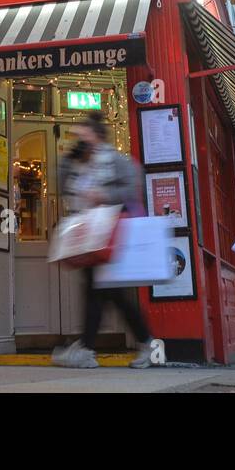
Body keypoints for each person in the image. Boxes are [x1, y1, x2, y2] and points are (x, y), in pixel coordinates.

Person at [52, 111, 156, 370]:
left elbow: (133, 186)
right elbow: (63, 187)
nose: (80, 138)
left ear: (96, 136)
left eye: (83, 134)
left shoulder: (115, 161)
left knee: (103, 292)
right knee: (105, 292)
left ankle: (88, 349)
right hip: (89, 234)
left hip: (109, 234)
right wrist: (70, 158)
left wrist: (103, 193)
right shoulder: (80, 164)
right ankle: (92, 348)